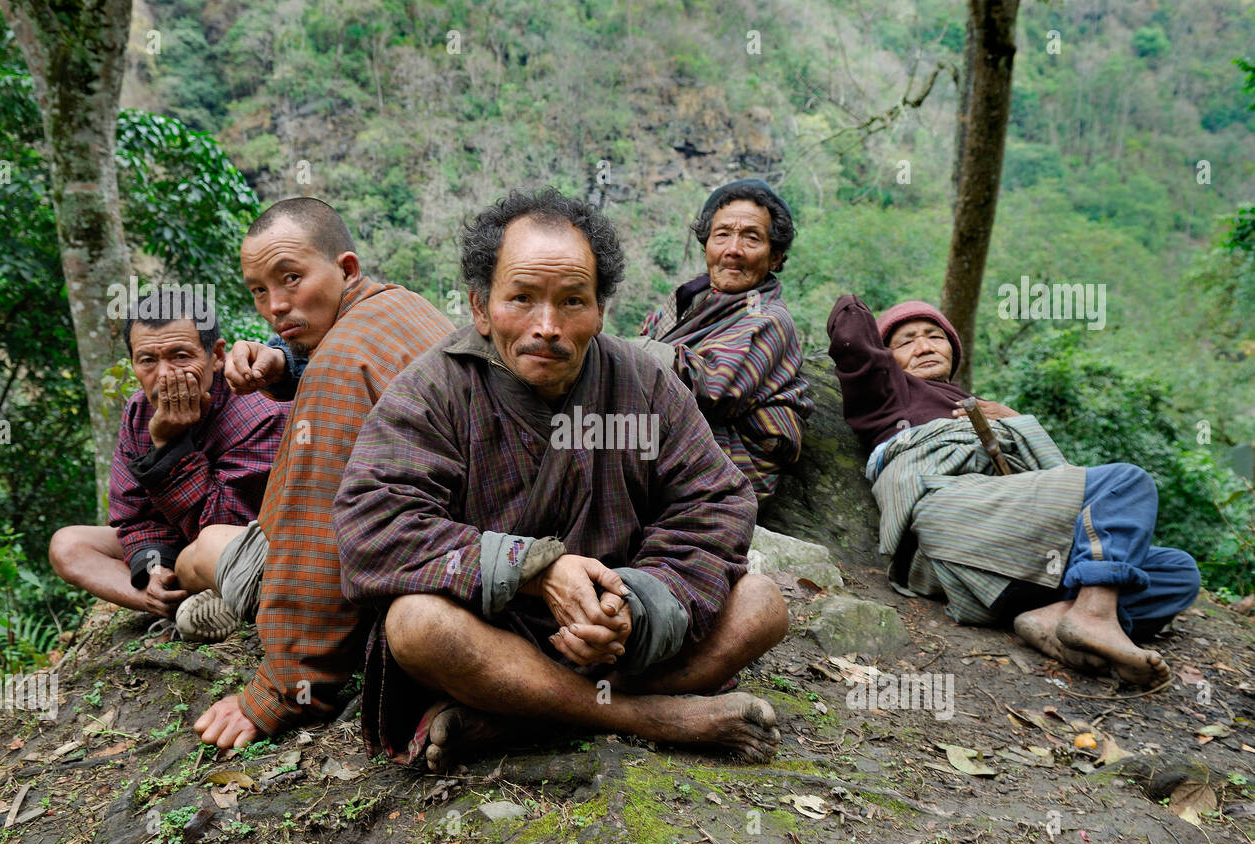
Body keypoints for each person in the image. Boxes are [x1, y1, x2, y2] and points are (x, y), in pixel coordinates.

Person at [334, 188, 787, 771]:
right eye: (521, 298)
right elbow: (373, 527)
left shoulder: (643, 384)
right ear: (479, 306)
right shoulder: (434, 391)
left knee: (762, 602)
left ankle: (512, 716)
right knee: (416, 625)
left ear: (600, 310)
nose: (547, 326)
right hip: (493, 633)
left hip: (618, 636)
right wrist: (533, 569)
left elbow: (716, 502)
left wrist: (637, 606)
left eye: (573, 302)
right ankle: (650, 716)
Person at [827, 295, 1199, 687]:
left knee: (1177, 572)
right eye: (906, 341)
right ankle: (1093, 614)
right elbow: (853, 340)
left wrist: (1016, 423)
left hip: (1013, 565)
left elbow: (1058, 490)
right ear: (887, 360)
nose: (924, 346)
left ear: (953, 351)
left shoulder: (980, 405)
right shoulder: (889, 393)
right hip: (954, 522)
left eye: (935, 337)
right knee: (1126, 482)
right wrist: (853, 306)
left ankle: (1055, 615)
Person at [191, 198, 454, 748]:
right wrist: (284, 364)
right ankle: (224, 596)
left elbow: (313, 531)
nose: (275, 306)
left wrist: (283, 689)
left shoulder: (338, 366)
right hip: (448, 541)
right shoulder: (402, 305)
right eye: (259, 290)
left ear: (347, 269)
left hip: (395, 570)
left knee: (201, 551)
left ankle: (220, 597)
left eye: (291, 278)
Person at [49, 290, 285, 622]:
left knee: (205, 548)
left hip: (235, 545)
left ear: (216, 356)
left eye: (180, 356)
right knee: (68, 545)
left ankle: (211, 599)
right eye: (147, 360)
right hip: (179, 542)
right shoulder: (138, 411)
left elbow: (226, 528)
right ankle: (161, 599)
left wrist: (168, 447)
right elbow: (132, 517)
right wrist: (151, 564)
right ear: (133, 363)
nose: (164, 374)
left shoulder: (258, 410)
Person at [634, 178, 813, 501]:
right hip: (674, 438)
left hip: (732, 464)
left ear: (775, 257)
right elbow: (642, 349)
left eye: (751, 238)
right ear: (706, 245)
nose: (733, 249)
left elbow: (714, 389)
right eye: (722, 235)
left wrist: (622, 351)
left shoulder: (769, 317)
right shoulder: (689, 300)